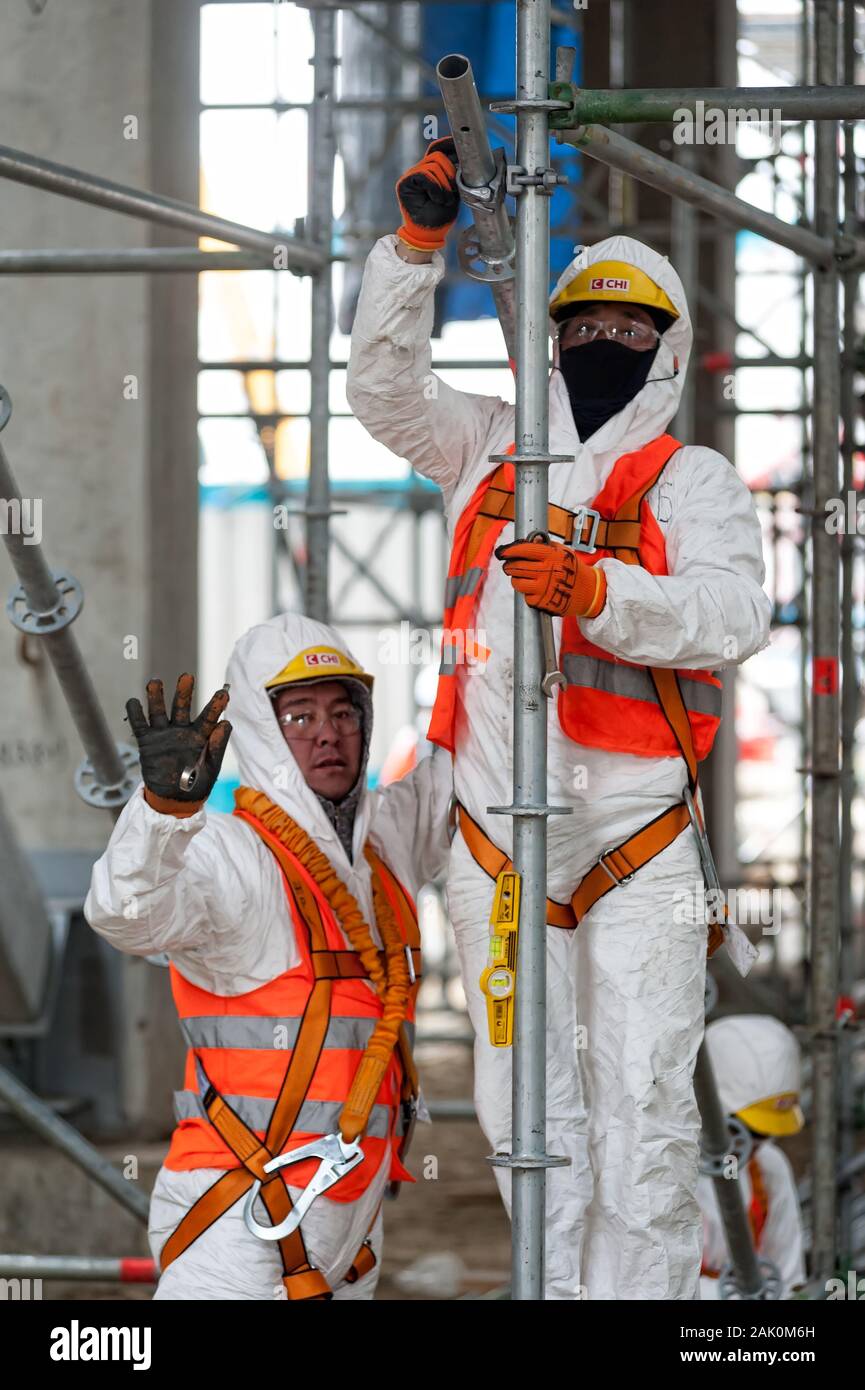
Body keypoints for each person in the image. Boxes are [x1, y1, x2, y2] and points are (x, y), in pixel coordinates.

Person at [346, 137, 772, 1300]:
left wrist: (601, 593)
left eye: (627, 333)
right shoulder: (490, 443)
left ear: (665, 348)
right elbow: (380, 390)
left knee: (642, 1117)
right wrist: (413, 247)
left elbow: (734, 612)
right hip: (499, 838)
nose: (601, 347)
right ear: (551, 339)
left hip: (636, 845)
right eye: (580, 327)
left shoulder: (690, 483)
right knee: (528, 1118)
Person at [85, 613, 451, 1301]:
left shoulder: (380, 852)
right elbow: (124, 915)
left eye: (344, 711)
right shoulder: (235, 857)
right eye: (300, 715)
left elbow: (467, 774)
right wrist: (162, 815)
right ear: (260, 730)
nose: (327, 732)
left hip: (347, 1230)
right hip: (240, 1225)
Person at [699, 1015, 806, 1299]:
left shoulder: (768, 1167)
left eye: (765, 1134)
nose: (755, 1145)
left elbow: (789, 1278)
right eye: (749, 1130)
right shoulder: (662, 1169)